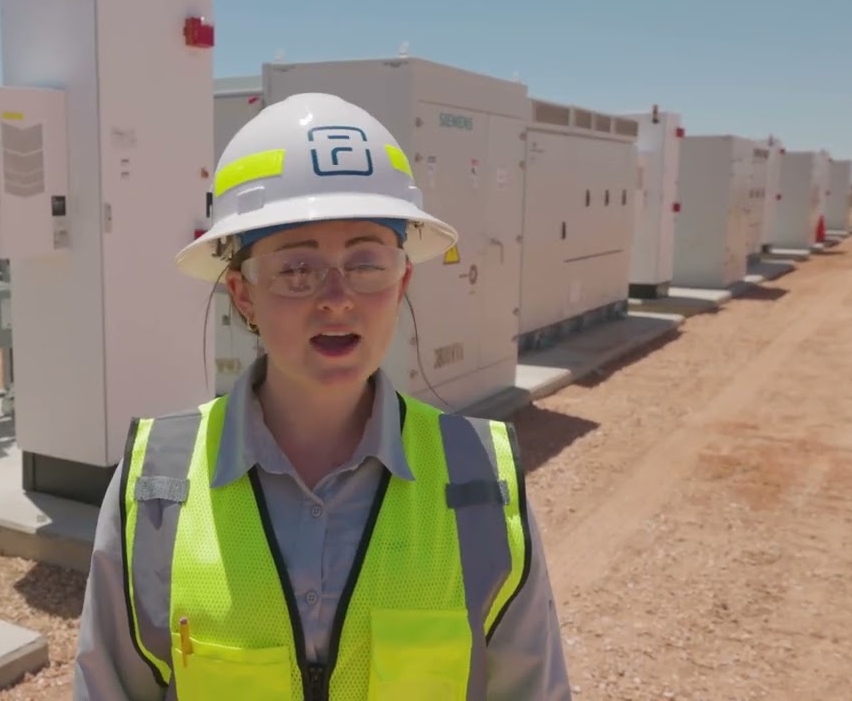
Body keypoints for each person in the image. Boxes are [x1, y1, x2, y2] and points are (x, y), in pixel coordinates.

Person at [73, 92, 571, 700]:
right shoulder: (155, 484)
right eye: (297, 270)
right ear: (244, 294)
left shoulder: (482, 481)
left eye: (367, 263)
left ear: (402, 280)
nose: (337, 297)